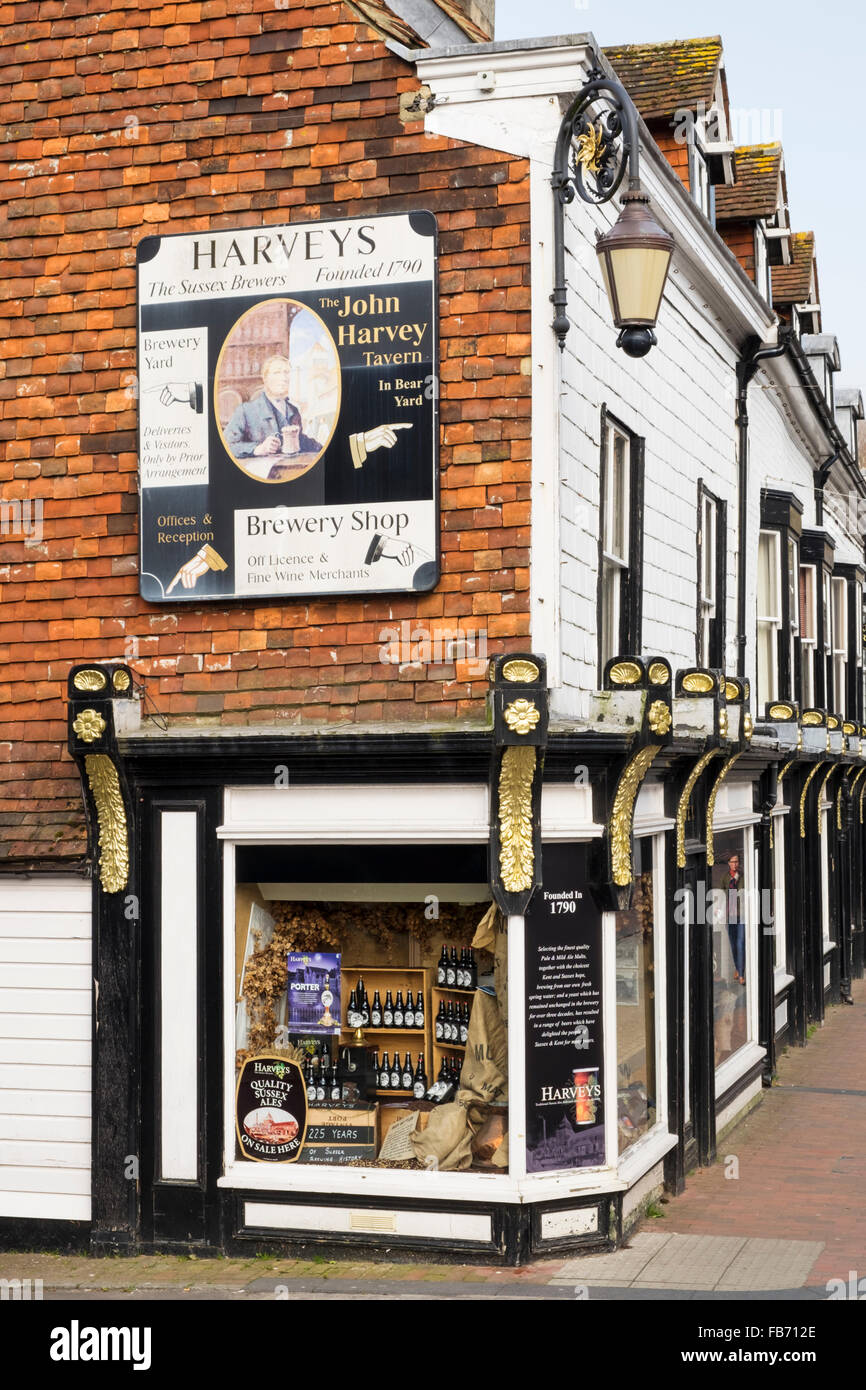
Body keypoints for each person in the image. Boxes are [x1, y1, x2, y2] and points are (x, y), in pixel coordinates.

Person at [223, 354, 322, 476]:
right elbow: (226, 446)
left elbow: (301, 440)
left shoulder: (294, 411)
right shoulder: (246, 411)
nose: (284, 378)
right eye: (277, 373)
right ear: (265, 378)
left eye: (286, 373)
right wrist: (257, 449)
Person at [721, 852, 746, 985]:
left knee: (740, 943)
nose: (734, 864)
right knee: (733, 945)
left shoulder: (743, 877)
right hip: (729, 915)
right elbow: (722, 894)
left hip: (741, 914)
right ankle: (738, 967)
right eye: (732, 862)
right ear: (728, 863)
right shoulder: (725, 878)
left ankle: (741, 974)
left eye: (736, 861)